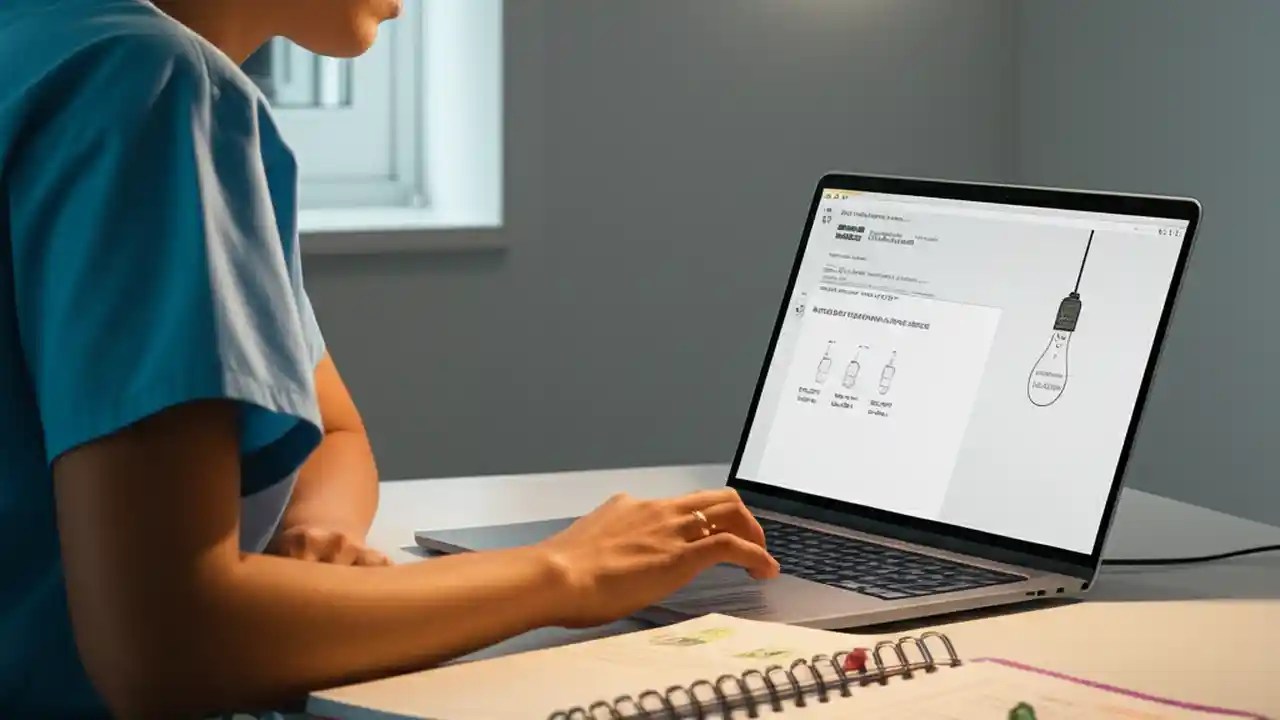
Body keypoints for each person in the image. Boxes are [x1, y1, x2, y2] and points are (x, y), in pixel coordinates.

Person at [0, 0, 780, 717]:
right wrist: (567, 571)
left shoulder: (47, 40)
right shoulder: (152, 88)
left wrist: (316, 533)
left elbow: (333, 427)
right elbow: (165, 646)